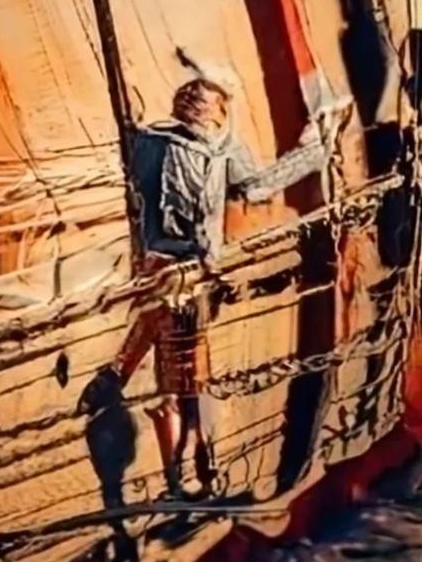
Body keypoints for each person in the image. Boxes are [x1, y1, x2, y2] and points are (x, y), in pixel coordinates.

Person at [81, 75, 335, 498]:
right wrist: (313, 153)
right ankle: (183, 481)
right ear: (214, 113)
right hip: (187, 277)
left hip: (152, 266)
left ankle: (117, 375)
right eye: (221, 110)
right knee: (183, 387)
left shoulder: (145, 141)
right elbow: (256, 186)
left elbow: (136, 183)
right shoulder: (217, 151)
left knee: (173, 361)